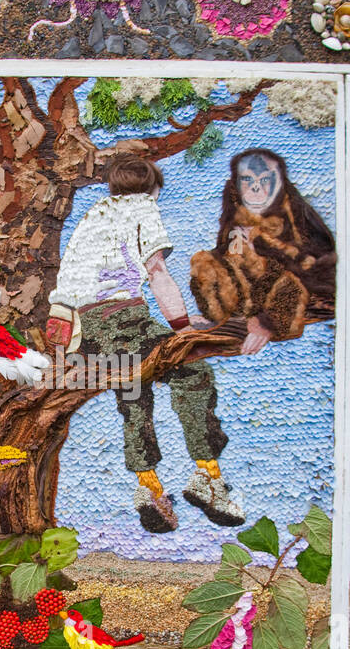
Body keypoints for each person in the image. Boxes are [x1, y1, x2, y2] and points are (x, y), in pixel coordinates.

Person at [46, 152, 246, 534]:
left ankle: (148, 488)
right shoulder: (143, 209)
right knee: (192, 372)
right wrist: (184, 328)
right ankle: (208, 478)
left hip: (82, 329)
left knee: (134, 392)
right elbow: (156, 273)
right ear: (153, 190)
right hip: (121, 316)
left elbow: (71, 283)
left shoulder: (94, 215)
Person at [189, 148, 336, 344]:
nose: (255, 189)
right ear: (237, 184)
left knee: (289, 281)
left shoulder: (291, 209)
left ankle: (266, 325)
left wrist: (259, 242)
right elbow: (226, 254)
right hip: (246, 292)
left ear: (277, 182)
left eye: (264, 180)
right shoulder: (236, 207)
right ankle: (219, 318)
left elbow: (314, 263)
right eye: (248, 180)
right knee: (204, 263)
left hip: (287, 282)